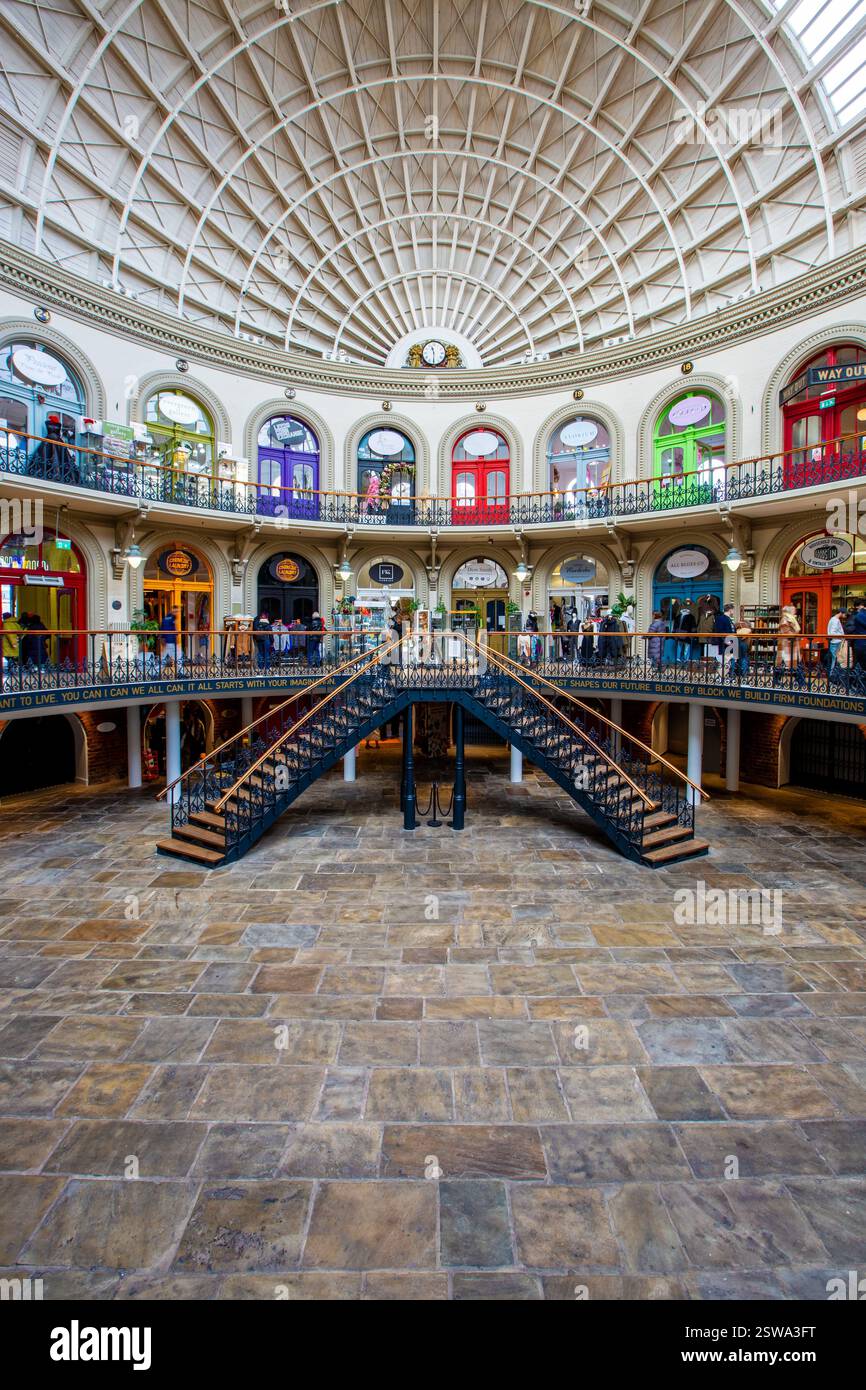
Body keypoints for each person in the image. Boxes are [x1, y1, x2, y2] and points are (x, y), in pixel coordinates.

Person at [777, 604, 803, 679]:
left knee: (795, 664)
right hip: (786, 645)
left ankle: (801, 682)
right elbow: (786, 632)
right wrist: (795, 635)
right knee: (783, 663)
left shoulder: (791, 619)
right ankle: (776, 681)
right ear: (789, 611)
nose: (795, 611)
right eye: (793, 610)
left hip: (792, 645)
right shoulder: (785, 620)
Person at [712, 602, 736, 673]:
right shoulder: (721, 618)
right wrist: (725, 641)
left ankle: (729, 677)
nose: (733, 611)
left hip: (732, 642)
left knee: (731, 661)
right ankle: (721, 678)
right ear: (730, 610)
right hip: (726, 643)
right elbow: (719, 630)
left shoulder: (729, 619)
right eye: (733, 610)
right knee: (726, 662)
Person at [827, 606, 847, 676]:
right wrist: (841, 637)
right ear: (841, 613)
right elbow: (833, 632)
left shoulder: (833, 619)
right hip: (836, 642)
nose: (845, 616)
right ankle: (832, 676)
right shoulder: (835, 620)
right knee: (835, 660)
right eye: (845, 614)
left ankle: (831, 675)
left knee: (834, 660)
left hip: (835, 642)